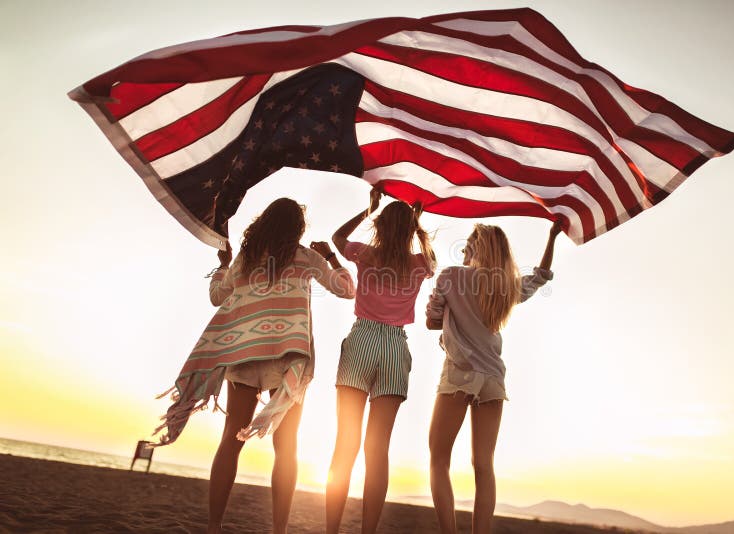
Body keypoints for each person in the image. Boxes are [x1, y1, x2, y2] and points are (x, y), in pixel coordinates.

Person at [153, 198, 355, 534]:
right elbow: (346, 290)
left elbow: (217, 296)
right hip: (287, 358)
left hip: (245, 354)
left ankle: (214, 526)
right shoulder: (306, 257)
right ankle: (279, 530)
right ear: (297, 229)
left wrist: (223, 265)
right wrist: (332, 257)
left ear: (263, 224)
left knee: (231, 441)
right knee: (286, 447)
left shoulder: (246, 259)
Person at [425, 220, 561, 534]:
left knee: (438, 459)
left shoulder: (451, 276)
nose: (464, 249)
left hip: (460, 374)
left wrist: (450, 319)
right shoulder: (507, 285)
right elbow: (540, 277)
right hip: (493, 380)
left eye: (468, 244)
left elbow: (432, 321)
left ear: (478, 247)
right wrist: (552, 237)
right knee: (484, 467)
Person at [325, 188, 436, 534]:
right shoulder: (418, 265)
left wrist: (368, 208)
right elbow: (431, 261)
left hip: (361, 339)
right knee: (378, 450)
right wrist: (418, 227)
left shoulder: (366, 254)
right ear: (406, 232)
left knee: (346, 442)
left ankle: (331, 530)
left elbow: (337, 237)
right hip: (394, 347)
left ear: (381, 227)